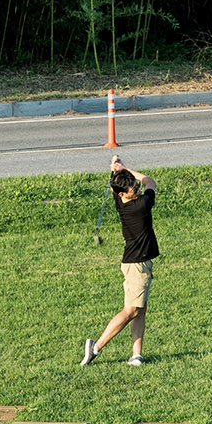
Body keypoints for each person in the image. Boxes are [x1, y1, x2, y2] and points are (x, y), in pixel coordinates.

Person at [82, 155, 158, 366]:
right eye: (133, 187)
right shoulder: (141, 206)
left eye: (135, 185)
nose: (137, 188)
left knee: (140, 310)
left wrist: (116, 169)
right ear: (123, 193)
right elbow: (150, 181)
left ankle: (136, 355)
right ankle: (96, 347)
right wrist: (126, 169)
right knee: (131, 311)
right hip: (137, 265)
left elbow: (119, 180)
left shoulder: (120, 200)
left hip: (137, 263)